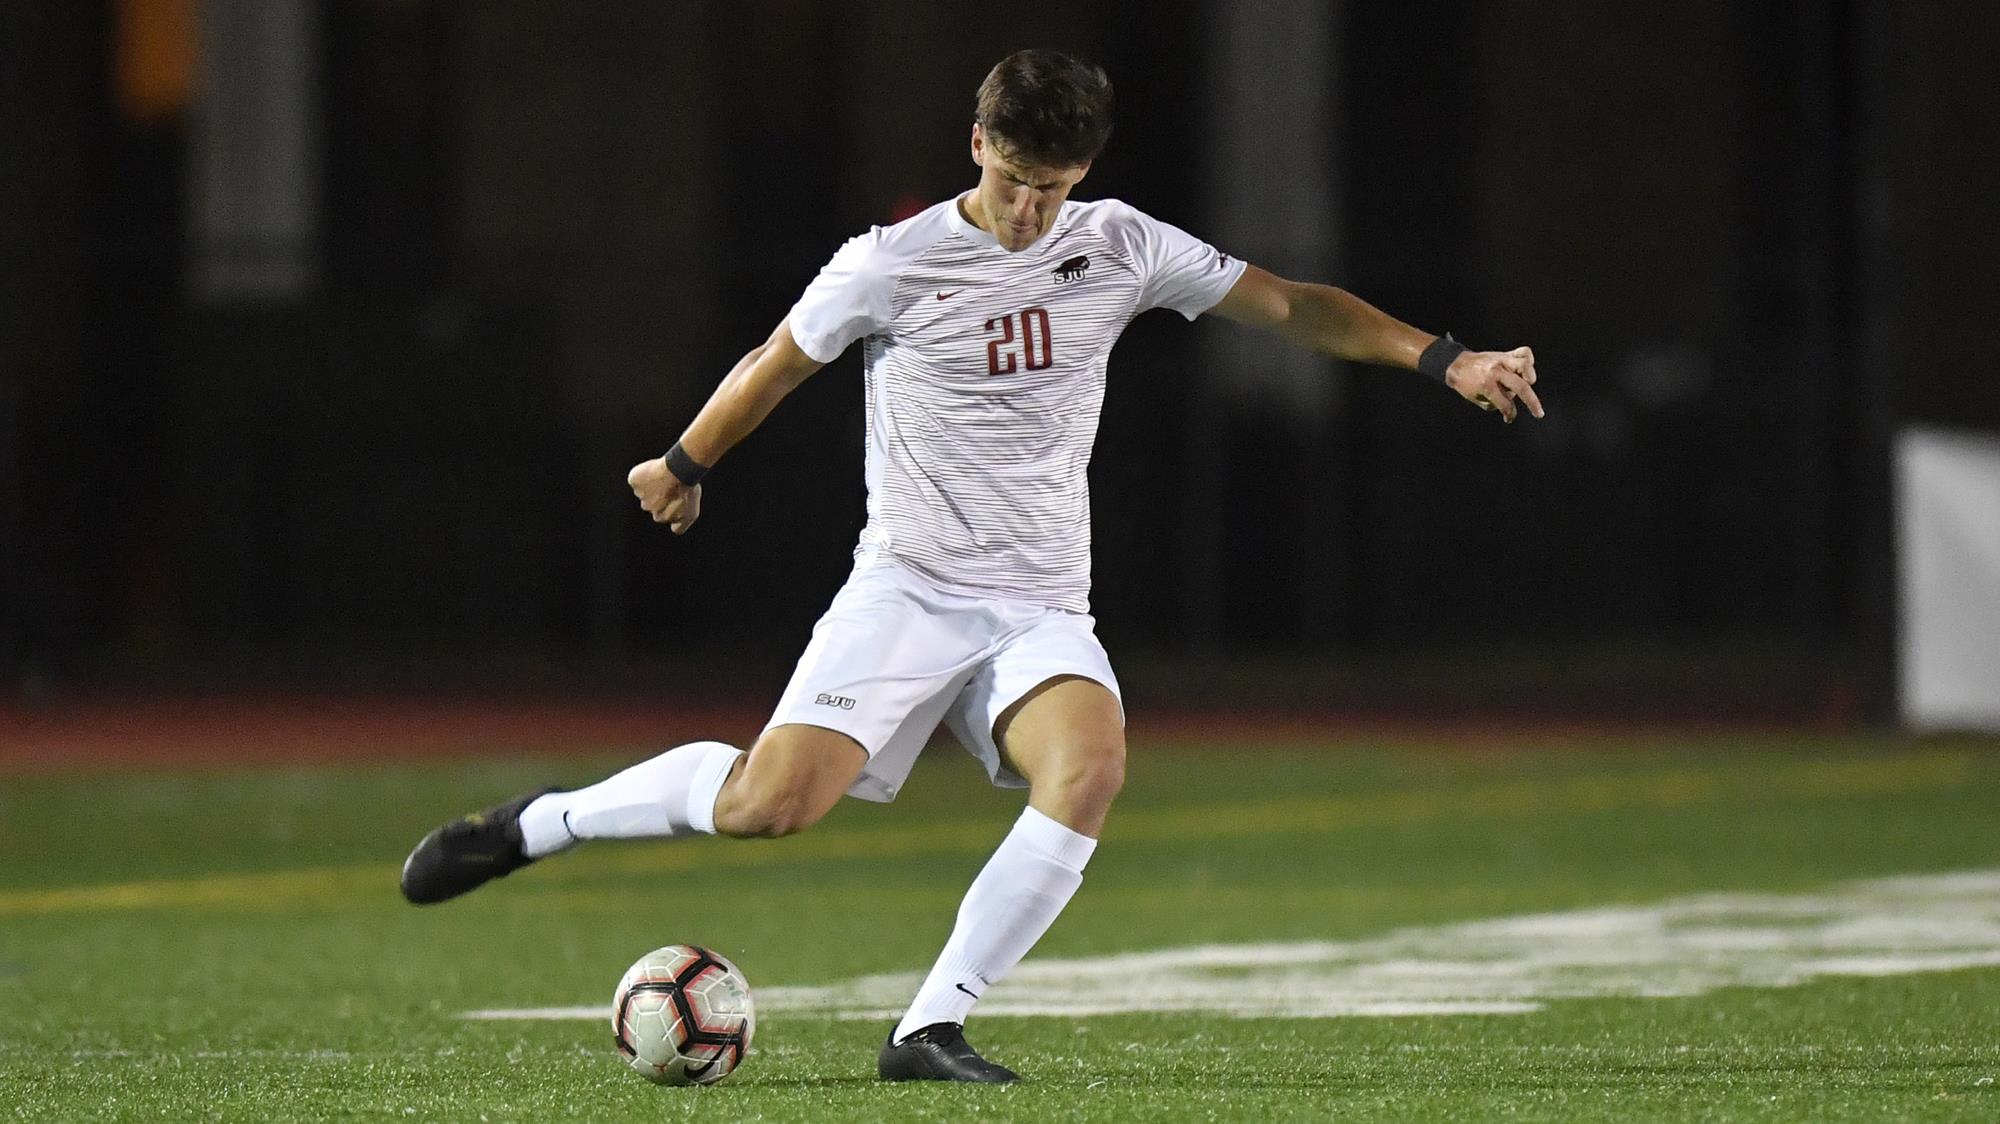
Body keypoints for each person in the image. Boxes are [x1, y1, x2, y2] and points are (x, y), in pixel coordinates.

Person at [399, 48, 1543, 1083]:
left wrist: (1441, 358)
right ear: (977, 143)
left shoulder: (1120, 242)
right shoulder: (889, 263)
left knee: (1088, 767)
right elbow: (775, 362)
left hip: (1038, 601)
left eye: (1054, 186)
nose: (1031, 209)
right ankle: (536, 824)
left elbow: (1291, 305)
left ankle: (927, 1028)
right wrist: (684, 459)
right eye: (1014, 181)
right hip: (907, 586)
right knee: (767, 804)